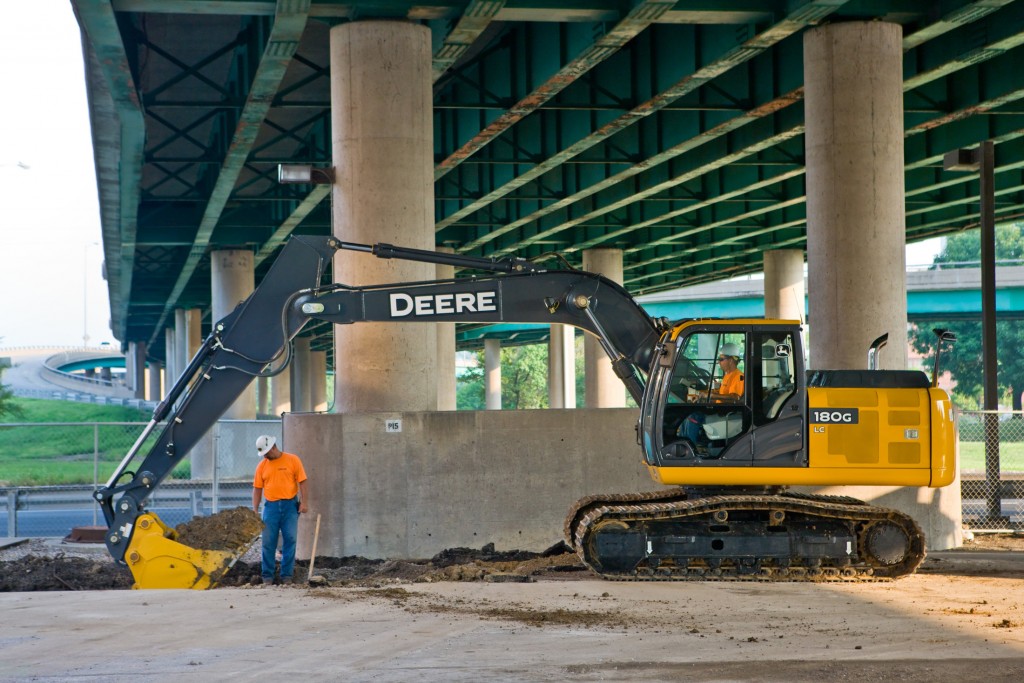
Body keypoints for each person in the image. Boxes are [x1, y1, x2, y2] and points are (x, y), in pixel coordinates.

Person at [252, 435, 309, 585]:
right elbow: (257, 489)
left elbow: (303, 482)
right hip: (270, 507)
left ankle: (287, 577)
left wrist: (304, 502)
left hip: (290, 506)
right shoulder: (262, 466)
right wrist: (255, 510)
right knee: (268, 541)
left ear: (273, 447)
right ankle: (267, 577)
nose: (264, 456)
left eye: (266, 453)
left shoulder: (293, 460)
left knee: (290, 539)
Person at [680, 343, 745, 447]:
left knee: (694, 415)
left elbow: (735, 398)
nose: (718, 362)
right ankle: (682, 442)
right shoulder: (728, 375)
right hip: (719, 407)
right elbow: (722, 392)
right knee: (686, 412)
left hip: (725, 411)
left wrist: (710, 396)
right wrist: (704, 393)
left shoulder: (738, 376)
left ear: (731, 360)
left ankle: (690, 446)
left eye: (721, 359)